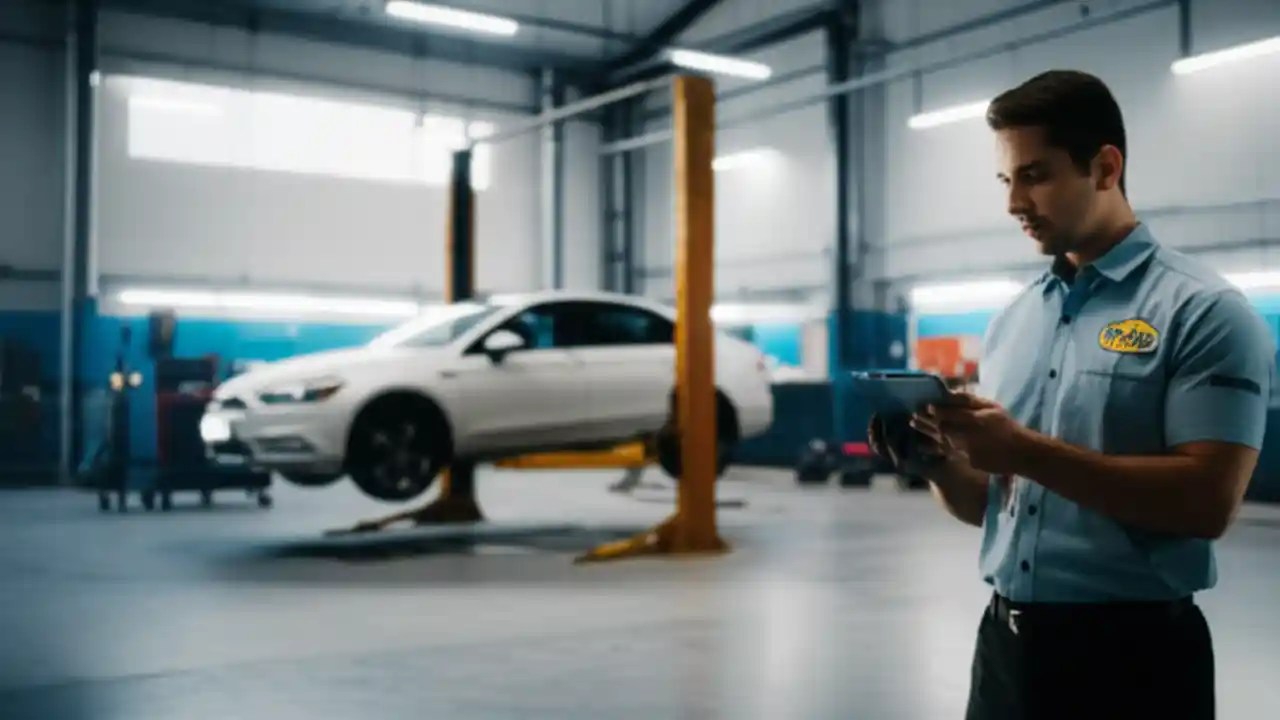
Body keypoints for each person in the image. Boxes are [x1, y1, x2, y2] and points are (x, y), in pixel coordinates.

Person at [869, 69, 1275, 720]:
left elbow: (1207, 503)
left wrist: (1022, 450)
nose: (1014, 203)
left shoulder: (1203, 312)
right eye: (1007, 180)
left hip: (1135, 664)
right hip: (1006, 652)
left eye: (1036, 175)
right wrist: (938, 464)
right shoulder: (1012, 323)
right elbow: (996, 506)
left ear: (1106, 167)